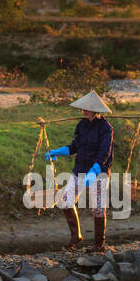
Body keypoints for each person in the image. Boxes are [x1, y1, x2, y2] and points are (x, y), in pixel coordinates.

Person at [46, 92, 114, 252]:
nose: (84, 111)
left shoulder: (106, 128)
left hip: (99, 171)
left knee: (98, 207)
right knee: (65, 200)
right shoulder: (81, 125)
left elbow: (105, 151)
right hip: (80, 169)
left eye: (87, 109)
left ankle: (99, 245)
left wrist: (95, 169)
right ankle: (76, 236)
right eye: (83, 108)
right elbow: (74, 147)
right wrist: (57, 152)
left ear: (95, 110)